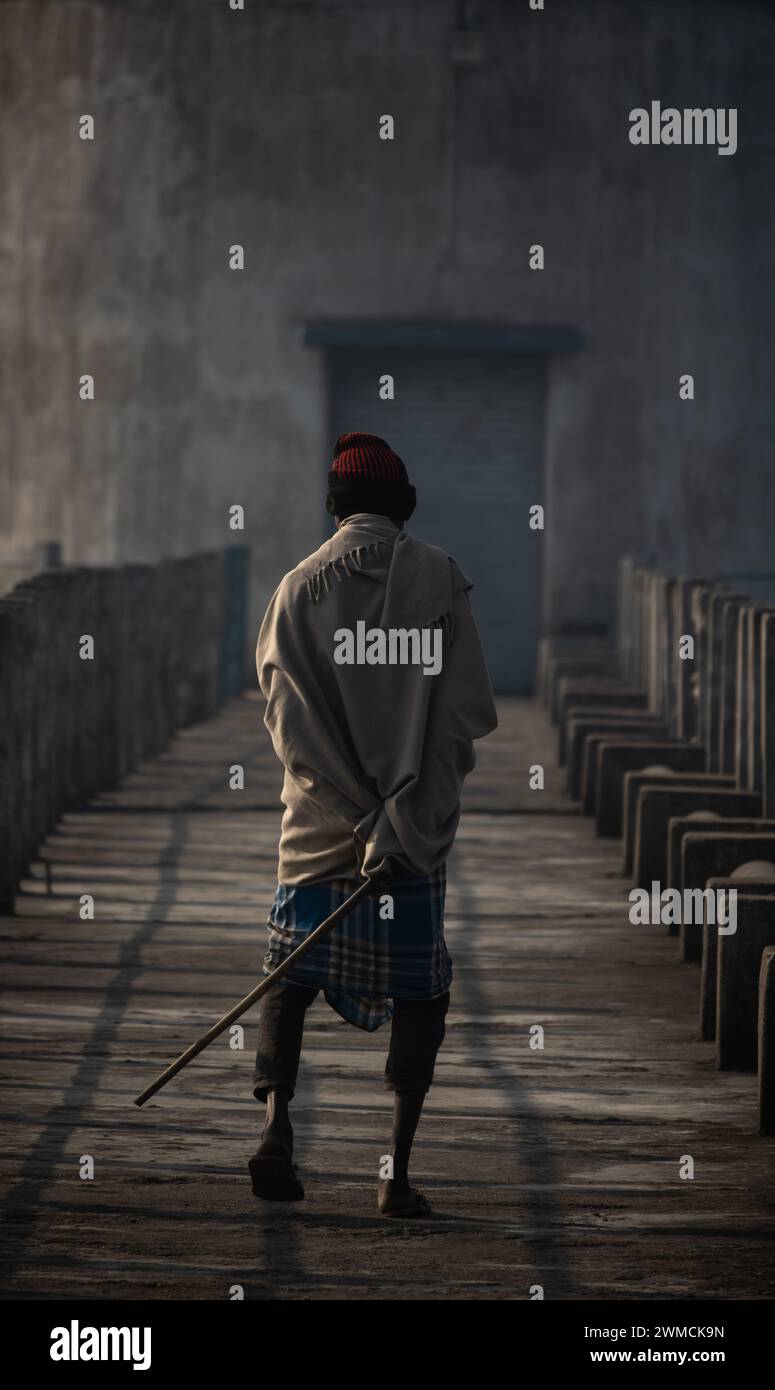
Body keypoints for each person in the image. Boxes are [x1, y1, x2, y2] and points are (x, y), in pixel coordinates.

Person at [250, 431, 497, 1216]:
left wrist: (355, 820)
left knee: (287, 983)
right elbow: (460, 717)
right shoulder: (440, 581)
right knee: (422, 995)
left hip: (316, 839)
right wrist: (397, 823)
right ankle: (393, 1171)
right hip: (409, 846)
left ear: (336, 507)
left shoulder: (295, 590)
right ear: (400, 506)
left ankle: (274, 1131)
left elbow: (288, 728)